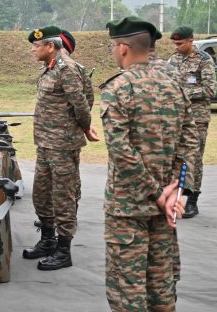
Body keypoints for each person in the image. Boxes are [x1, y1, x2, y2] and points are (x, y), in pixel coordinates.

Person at [100, 16, 199, 311]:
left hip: (128, 208)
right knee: (162, 289)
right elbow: (190, 142)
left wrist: (157, 193)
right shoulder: (173, 85)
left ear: (122, 48)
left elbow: (122, 151)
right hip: (164, 207)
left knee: (127, 293)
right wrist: (177, 192)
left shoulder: (118, 88)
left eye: (113, 47)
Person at [23, 26, 99, 271]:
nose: (33, 49)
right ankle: (47, 240)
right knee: (41, 195)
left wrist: (85, 128)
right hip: (45, 143)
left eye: (37, 45)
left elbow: (82, 104)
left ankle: (63, 250)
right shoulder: (51, 67)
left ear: (51, 46)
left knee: (63, 198)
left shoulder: (66, 70)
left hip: (63, 145)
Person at [168, 26, 217, 218]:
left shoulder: (204, 61)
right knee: (175, 158)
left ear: (191, 41)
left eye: (180, 43)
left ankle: (192, 200)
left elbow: (210, 90)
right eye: (175, 43)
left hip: (197, 119)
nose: (177, 47)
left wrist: (183, 93)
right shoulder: (173, 60)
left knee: (194, 159)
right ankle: (174, 197)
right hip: (176, 118)